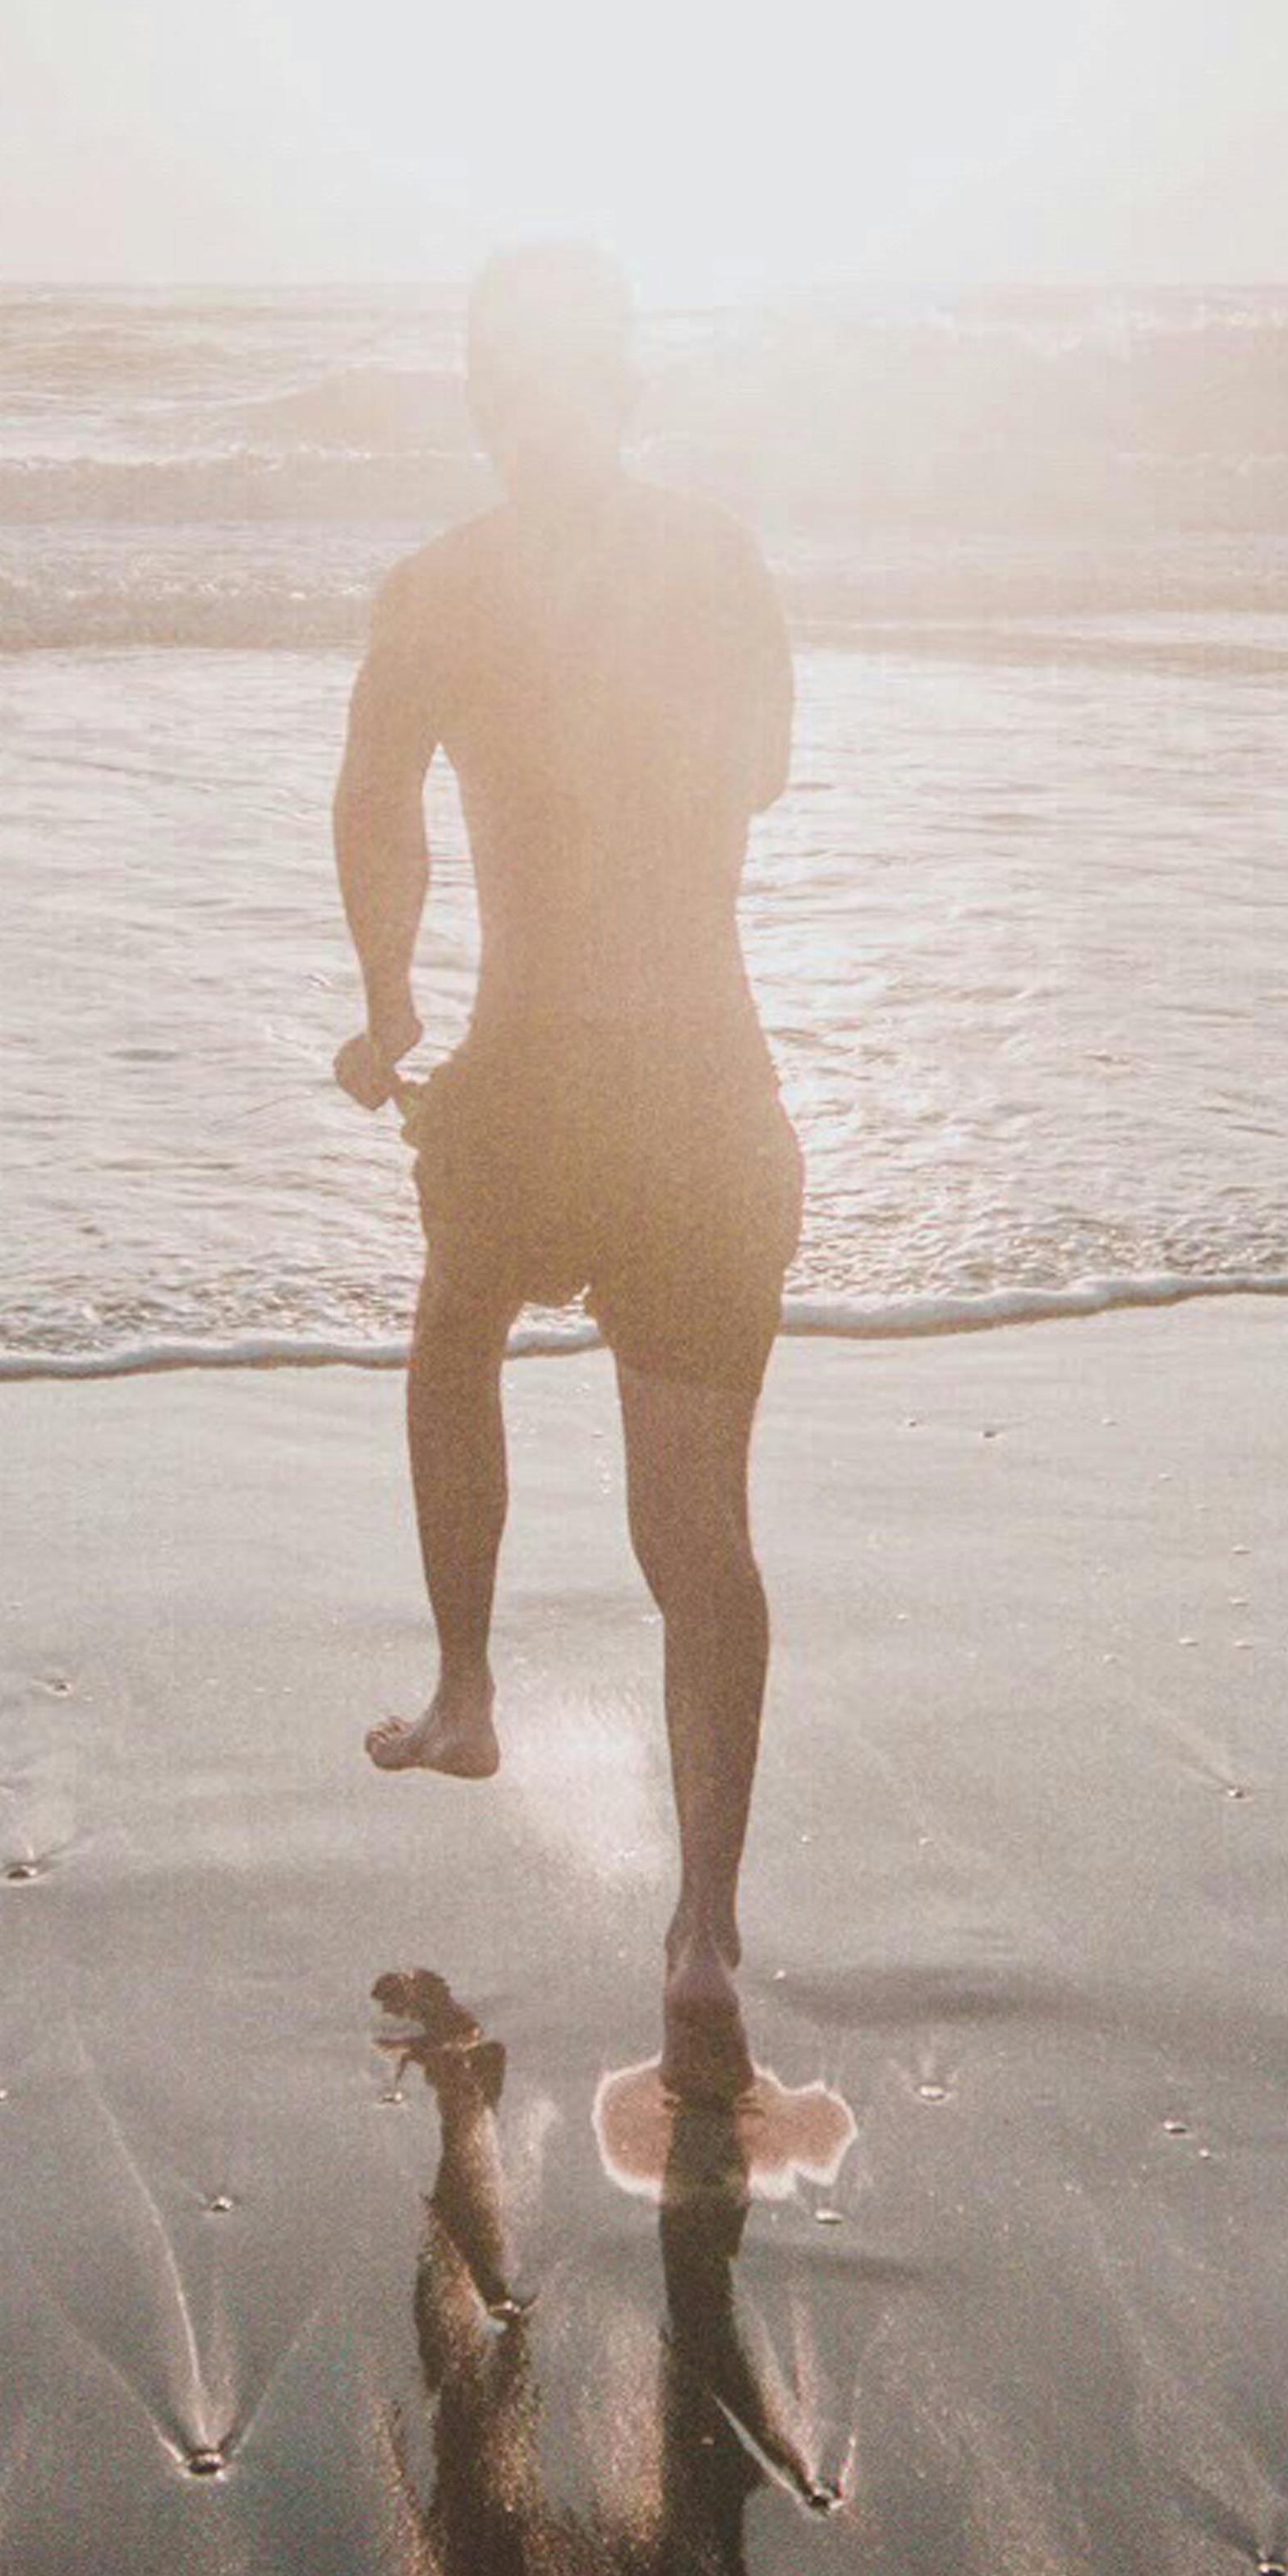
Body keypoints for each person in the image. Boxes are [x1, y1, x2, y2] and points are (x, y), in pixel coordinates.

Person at [331, 244, 802, 2083]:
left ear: (481, 394)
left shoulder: (440, 587)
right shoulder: (717, 556)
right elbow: (761, 772)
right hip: (703, 1076)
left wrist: (387, 1005)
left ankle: (467, 1688)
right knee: (697, 1530)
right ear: (628, 379)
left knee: (458, 1324)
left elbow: (375, 807)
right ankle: (699, 1935)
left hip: (529, 1072)